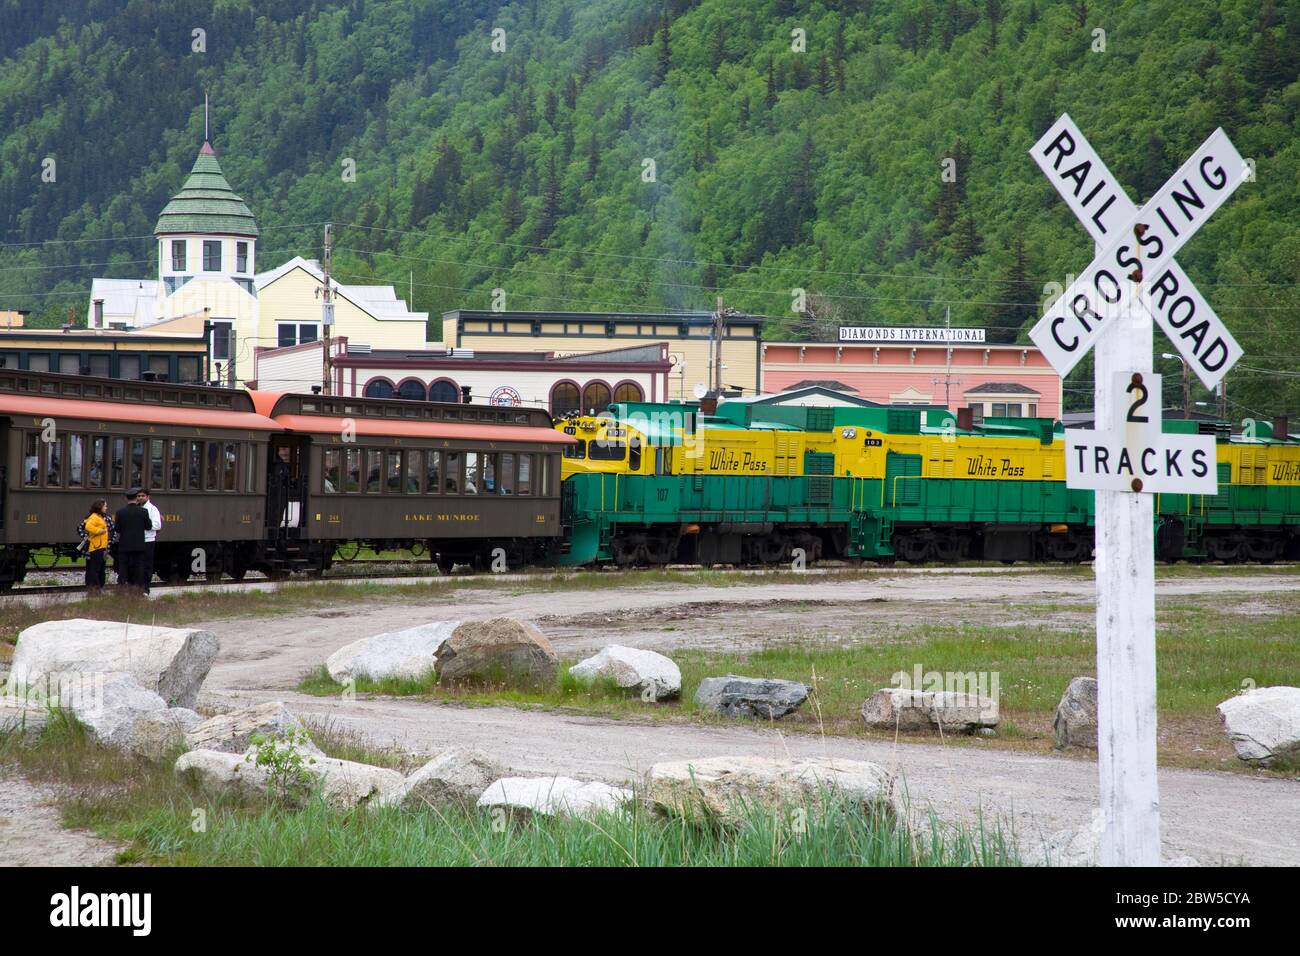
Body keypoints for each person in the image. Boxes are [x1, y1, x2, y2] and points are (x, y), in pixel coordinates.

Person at [113, 488, 150, 592]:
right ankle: (138, 588)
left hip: (124, 545)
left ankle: (121, 587)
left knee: (123, 567)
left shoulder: (120, 512)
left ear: (126, 498)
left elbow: (117, 529)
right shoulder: (143, 511)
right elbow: (148, 526)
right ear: (136, 498)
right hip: (139, 544)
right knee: (139, 567)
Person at [78, 500, 112, 591]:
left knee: (100, 568)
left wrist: (109, 542)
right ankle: (94, 588)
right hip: (96, 546)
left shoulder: (105, 518)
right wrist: (97, 532)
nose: (106, 508)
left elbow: (111, 531)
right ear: (100, 507)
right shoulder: (93, 517)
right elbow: (85, 527)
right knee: (93, 568)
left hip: (103, 547)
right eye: (105, 506)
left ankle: (99, 586)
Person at [138, 488, 162, 594]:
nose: (140, 498)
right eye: (138, 496)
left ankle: (145, 589)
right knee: (137, 565)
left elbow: (157, 525)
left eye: (142, 496)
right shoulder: (136, 508)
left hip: (148, 540)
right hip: (137, 540)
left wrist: (142, 526)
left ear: (148, 497)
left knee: (147, 566)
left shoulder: (153, 509)